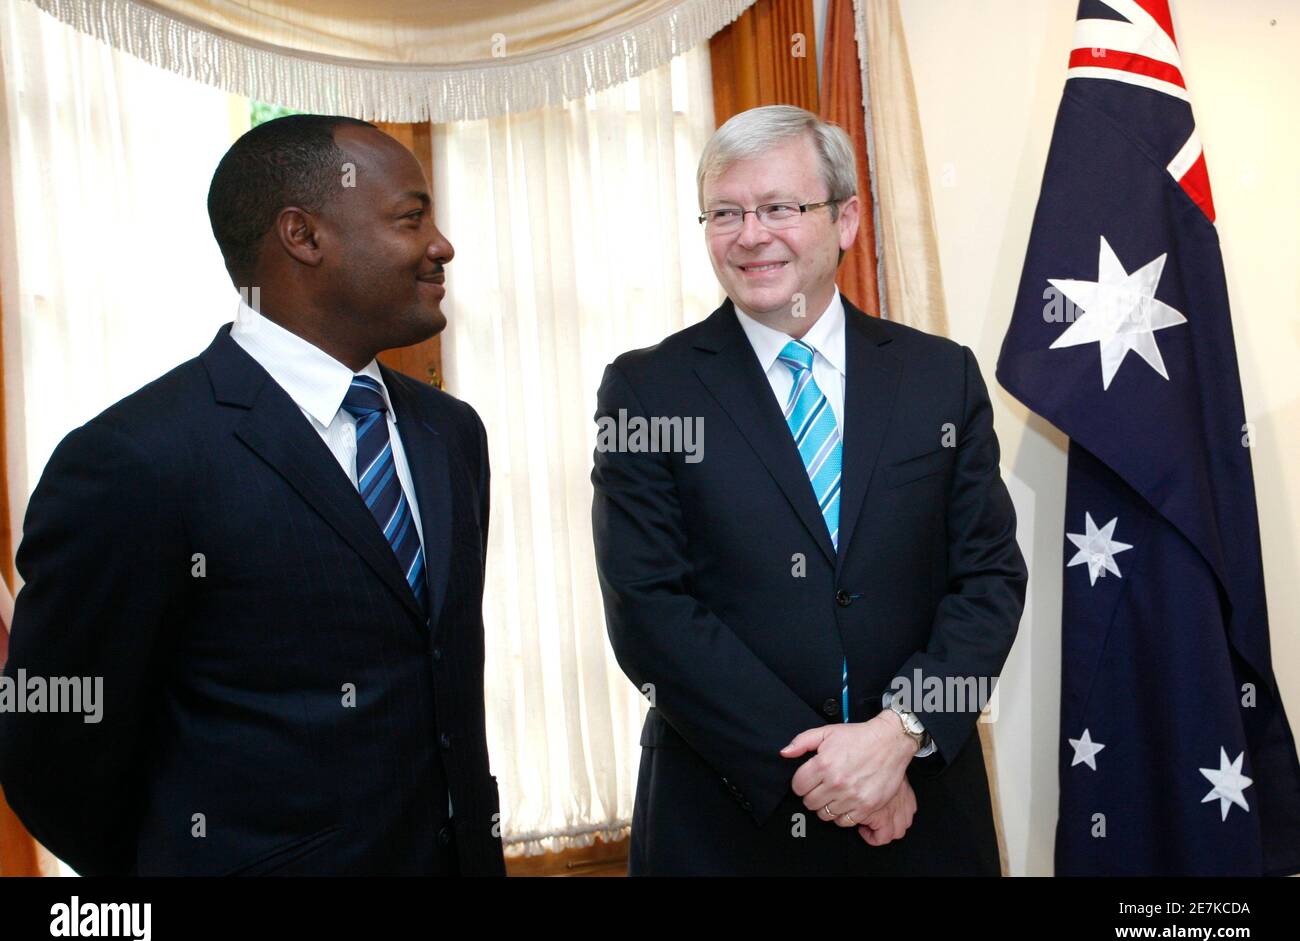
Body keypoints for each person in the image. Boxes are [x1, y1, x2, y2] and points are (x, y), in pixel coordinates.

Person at [0, 115, 504, 875]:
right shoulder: (135, 459)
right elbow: (54, 743)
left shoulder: (450, 432)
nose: (442, 245)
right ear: (302, 236)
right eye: (411, 217)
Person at [591, 105, 1027, 874]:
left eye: (781, 207)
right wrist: (829, 773)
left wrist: (903, 732)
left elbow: (989, 580)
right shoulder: (646, 390)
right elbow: (649, 610)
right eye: (726, 212)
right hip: (727, 817)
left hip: (923, 807)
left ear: (846, 218)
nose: (751, 234)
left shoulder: (939, 377)